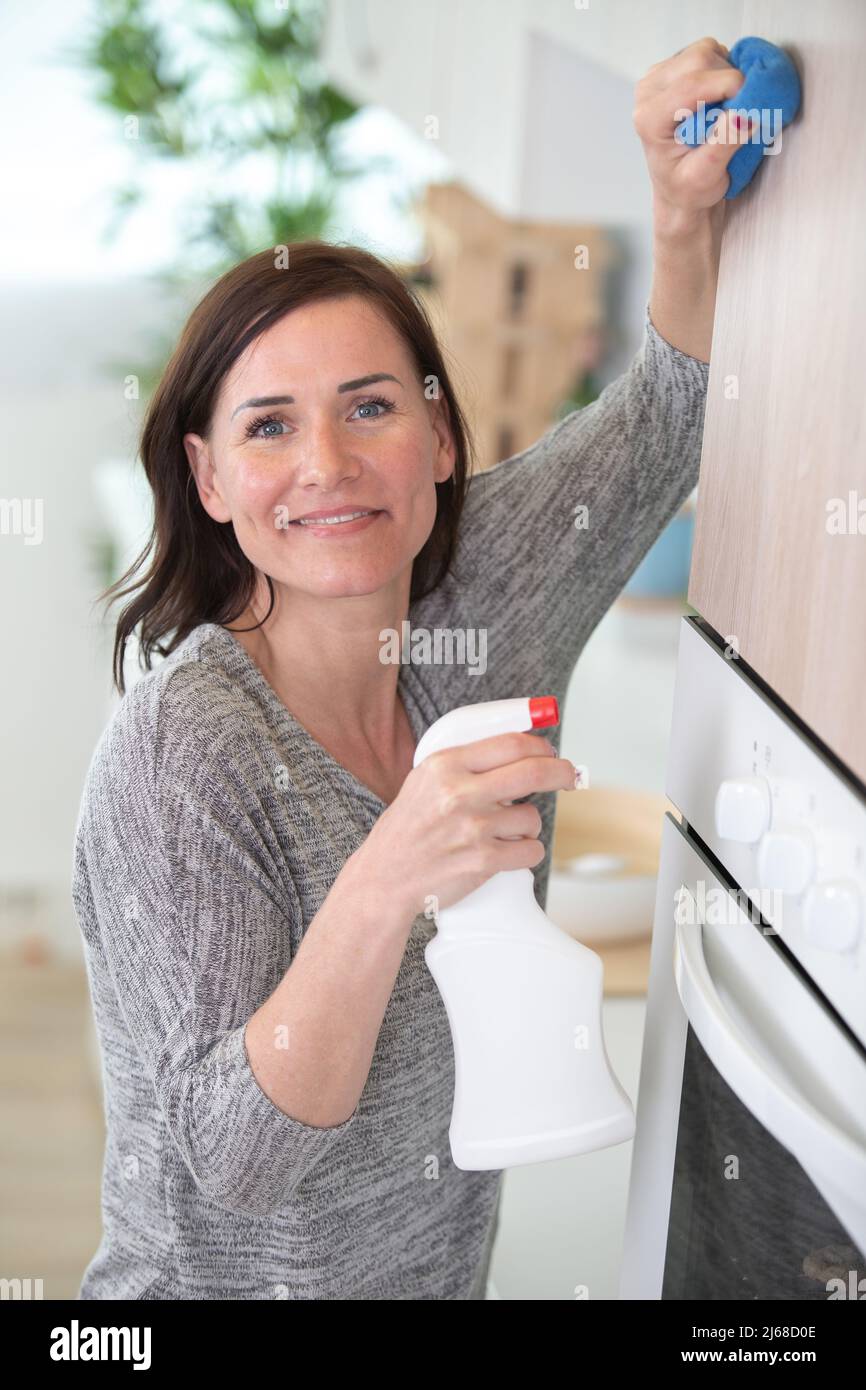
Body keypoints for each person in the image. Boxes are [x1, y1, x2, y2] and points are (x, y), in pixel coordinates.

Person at [72, 37, 743, 1299]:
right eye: (269, 426)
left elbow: (667, 415)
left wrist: (674, 205)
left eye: (370, 405)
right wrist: (388, 874)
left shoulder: (481, 601)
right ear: (209, 478)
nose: (326, 464)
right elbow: (236, 1162)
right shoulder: (184, 750)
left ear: (437, 433)